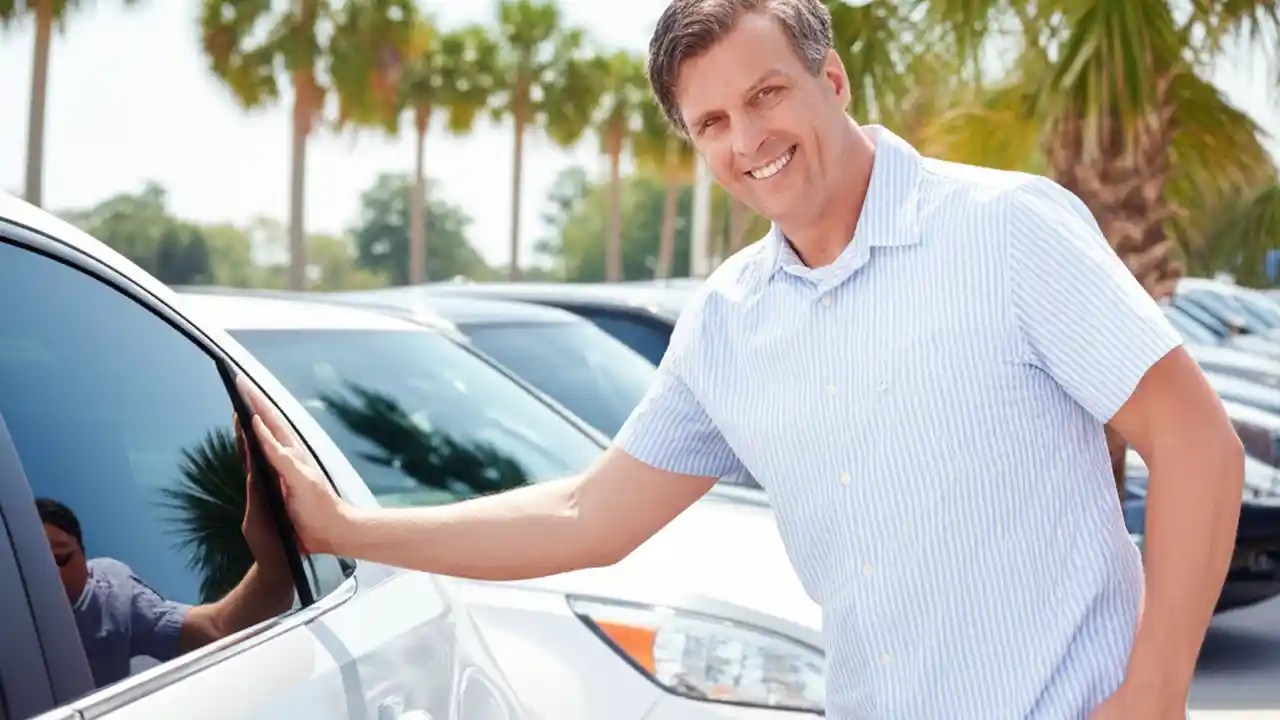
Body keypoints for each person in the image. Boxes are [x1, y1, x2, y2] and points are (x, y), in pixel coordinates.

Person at [238, 1, 1244, 717]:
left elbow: (1195, 443)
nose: (748, 138)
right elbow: (585, 517)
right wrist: (352, 529)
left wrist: (1152, 692)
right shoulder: (725, 322)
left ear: (831, 79)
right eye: (712, 123)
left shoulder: (1004, 229)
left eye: (766, 94)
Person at [37, 438, 296, 688]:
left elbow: (216, 628)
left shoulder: (112, 597)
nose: (52, 578)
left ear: (84, 556)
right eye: (33, 568)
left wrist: (273, 560)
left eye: (61, 559)